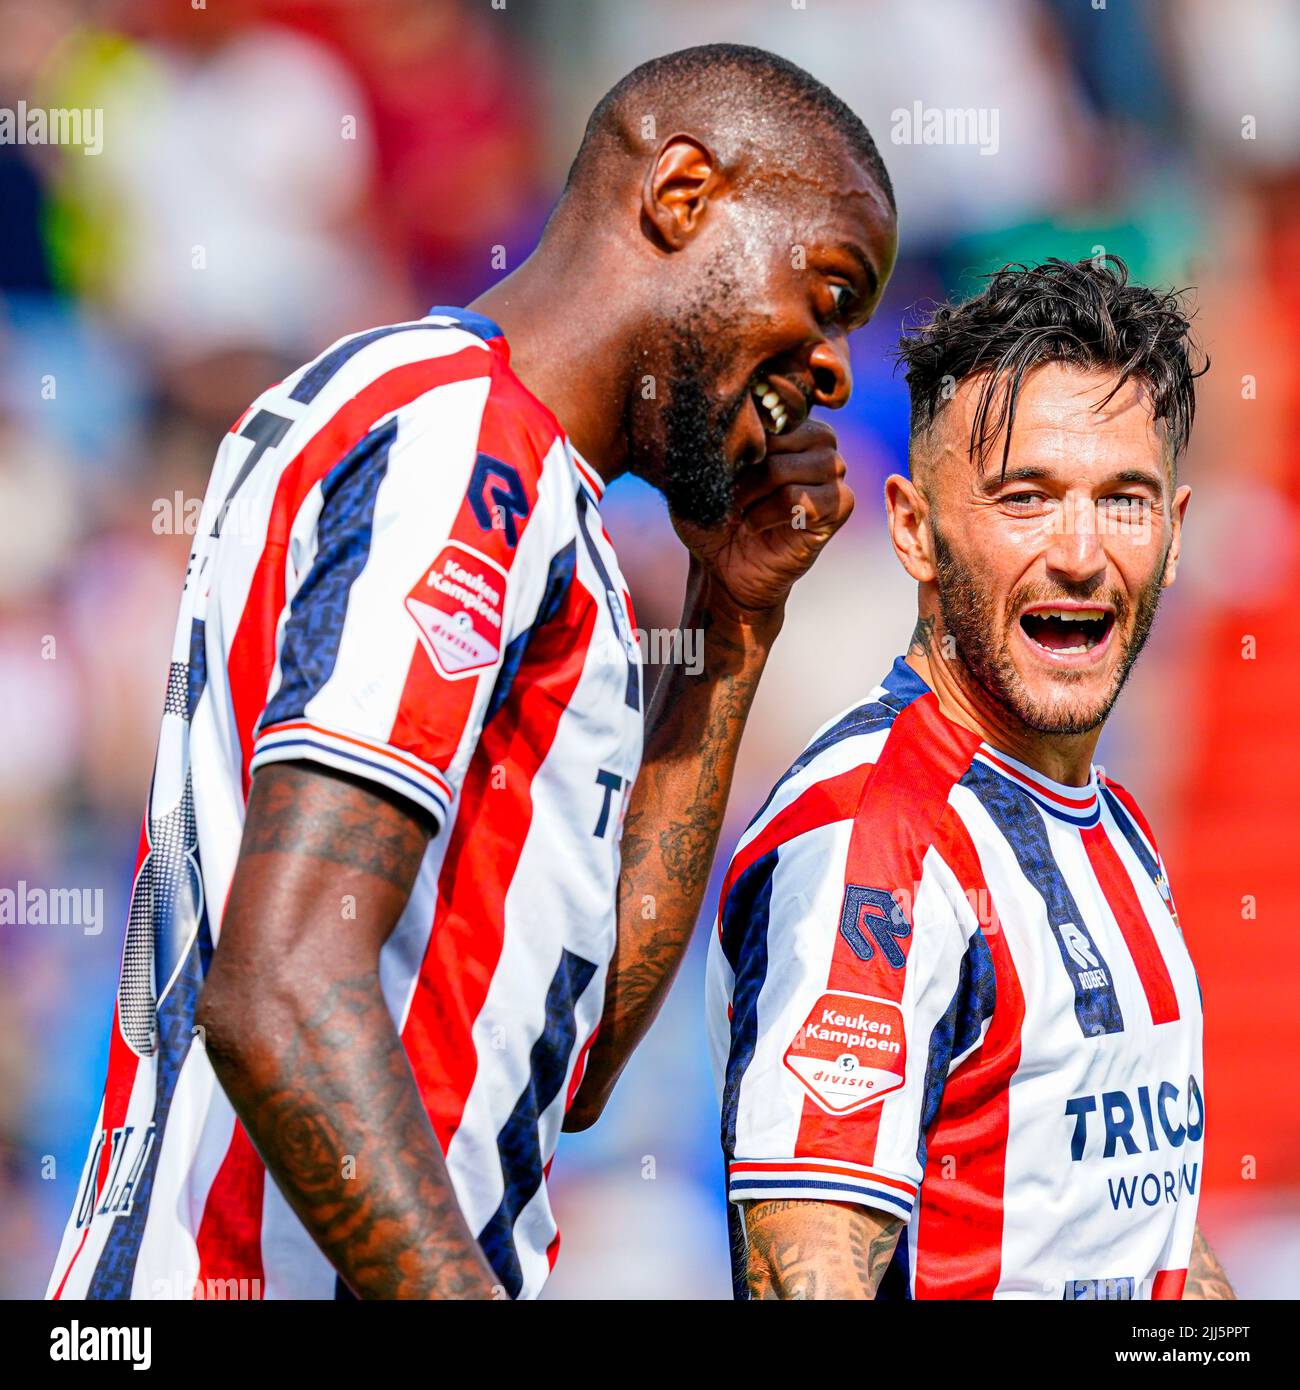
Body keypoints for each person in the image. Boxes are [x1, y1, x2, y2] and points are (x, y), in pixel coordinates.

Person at [47, 43, 897, 1301]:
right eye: (824, 292)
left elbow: (579, 1054)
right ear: (679, 195)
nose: (831, 368)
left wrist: (731, 626)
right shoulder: (460, 440)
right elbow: (281, 989)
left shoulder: (552, 514)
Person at [710, 256, 1236, 1300]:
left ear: (1173, 533)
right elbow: (806, 1272)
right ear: (913, 527)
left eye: (1123, 499)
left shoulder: (1111, 823)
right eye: (1025, 497)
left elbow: (1148, 1243)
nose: (1080, 551)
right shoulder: (878, 833)